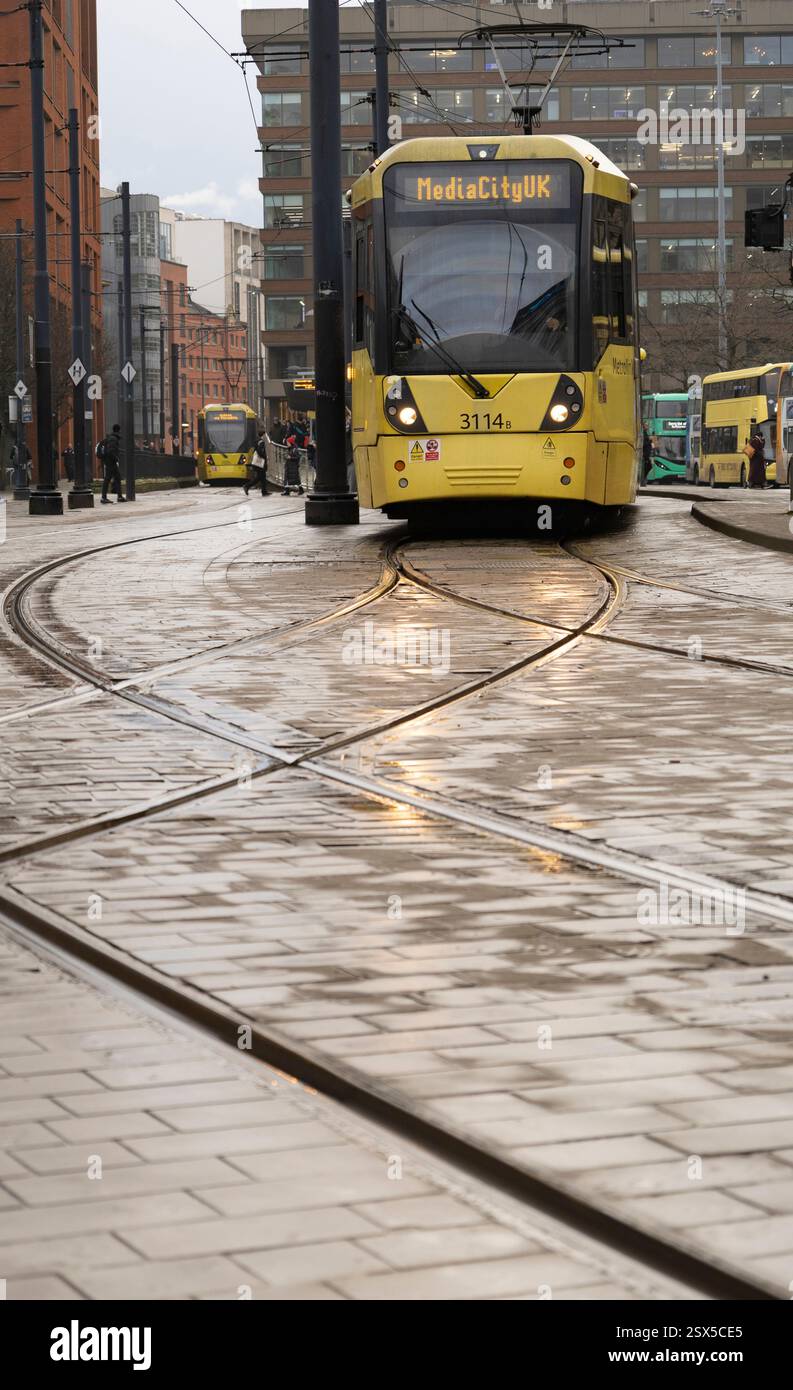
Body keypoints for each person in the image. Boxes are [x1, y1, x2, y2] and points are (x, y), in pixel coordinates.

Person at [97, 424, 126, 503]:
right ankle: (104, 497)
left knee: (116, 477)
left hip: (109, 461)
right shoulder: (113, 439)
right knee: (108, 478)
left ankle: (118, 496)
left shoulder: (110, 437)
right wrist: (116, 458)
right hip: (111, 461)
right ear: (119, 430)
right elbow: (111, 451)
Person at [244, 430, 269, 497]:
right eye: (265, 435)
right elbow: (260, 452)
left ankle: (264, 491)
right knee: (260, 477)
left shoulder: (257, 441)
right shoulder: (261, 442)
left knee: (262, 477)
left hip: (256, 462)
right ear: (263, 435)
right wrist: (265, 456)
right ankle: (247, 486)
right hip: (259, 463)